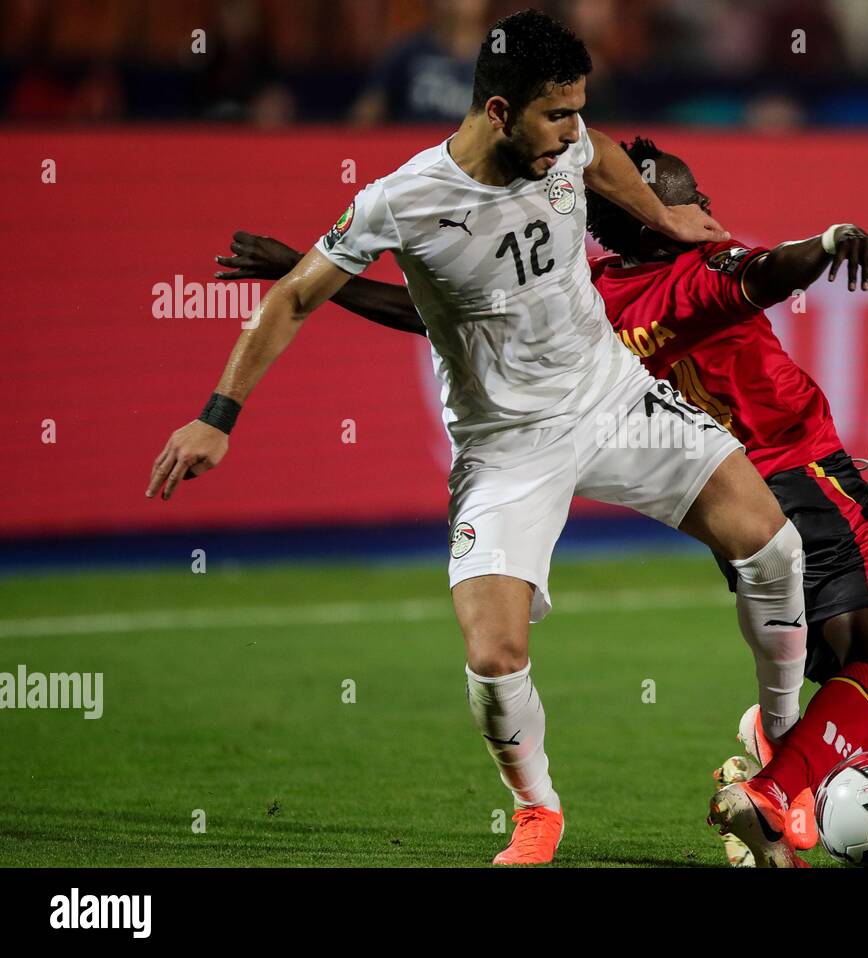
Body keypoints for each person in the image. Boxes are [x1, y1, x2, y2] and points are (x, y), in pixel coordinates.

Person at [148, 11, 812, 867]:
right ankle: (537, 810)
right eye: (556, 115)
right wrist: (217, 415)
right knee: (495, 661)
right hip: (507, 446)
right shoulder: (404, 198)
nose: (574, 133)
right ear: (498, 111)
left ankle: (783, 745)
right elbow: (295, 298)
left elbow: (603, 153)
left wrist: (663, 216)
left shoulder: (567, 145)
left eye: (579, 110)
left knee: (775, 547)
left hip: (609, 394)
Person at [213, 135, 868, 868]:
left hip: (726, 486)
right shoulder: (700, 269)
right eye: (694, 197)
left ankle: (777, 767)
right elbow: (768, 271)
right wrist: (831, 240)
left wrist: (310, 272)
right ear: (659, 217)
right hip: (803, 477)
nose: (708, 206)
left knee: (849, 673)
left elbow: (434, 314)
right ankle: (775, 785)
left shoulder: (596, 296)